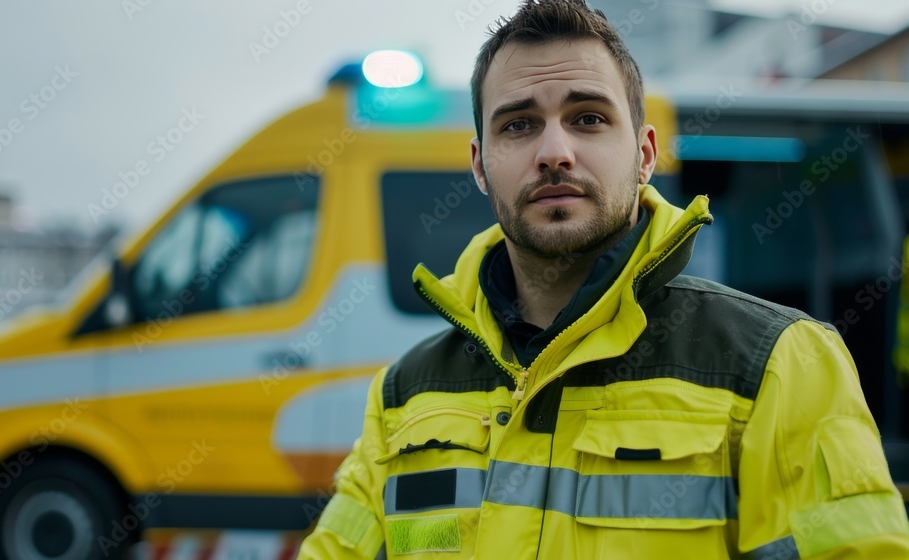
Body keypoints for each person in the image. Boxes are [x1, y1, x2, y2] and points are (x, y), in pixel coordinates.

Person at [298, 1, 909, 558]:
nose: (555, 151)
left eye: (588, 119)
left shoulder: (782, 364)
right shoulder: (403, 395)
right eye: (517, 125)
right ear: (479, 164)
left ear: (646, 154)